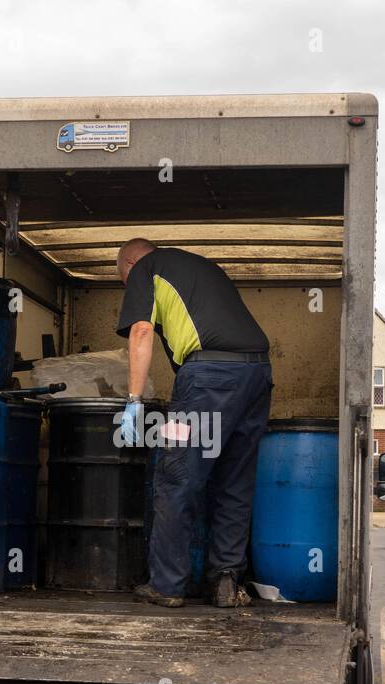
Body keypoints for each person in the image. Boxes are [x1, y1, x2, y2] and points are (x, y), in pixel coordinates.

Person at [114, 239, 272, 608]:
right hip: (257, 376)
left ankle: (167, 586)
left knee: (176, 477)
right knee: (234, 481)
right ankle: (227, 582)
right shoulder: (200, 268)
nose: (129, 287)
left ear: (130, 262)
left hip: (209, 380)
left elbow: (141, 331)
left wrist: (134, 401)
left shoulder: (145, 267)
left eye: (124, 278)